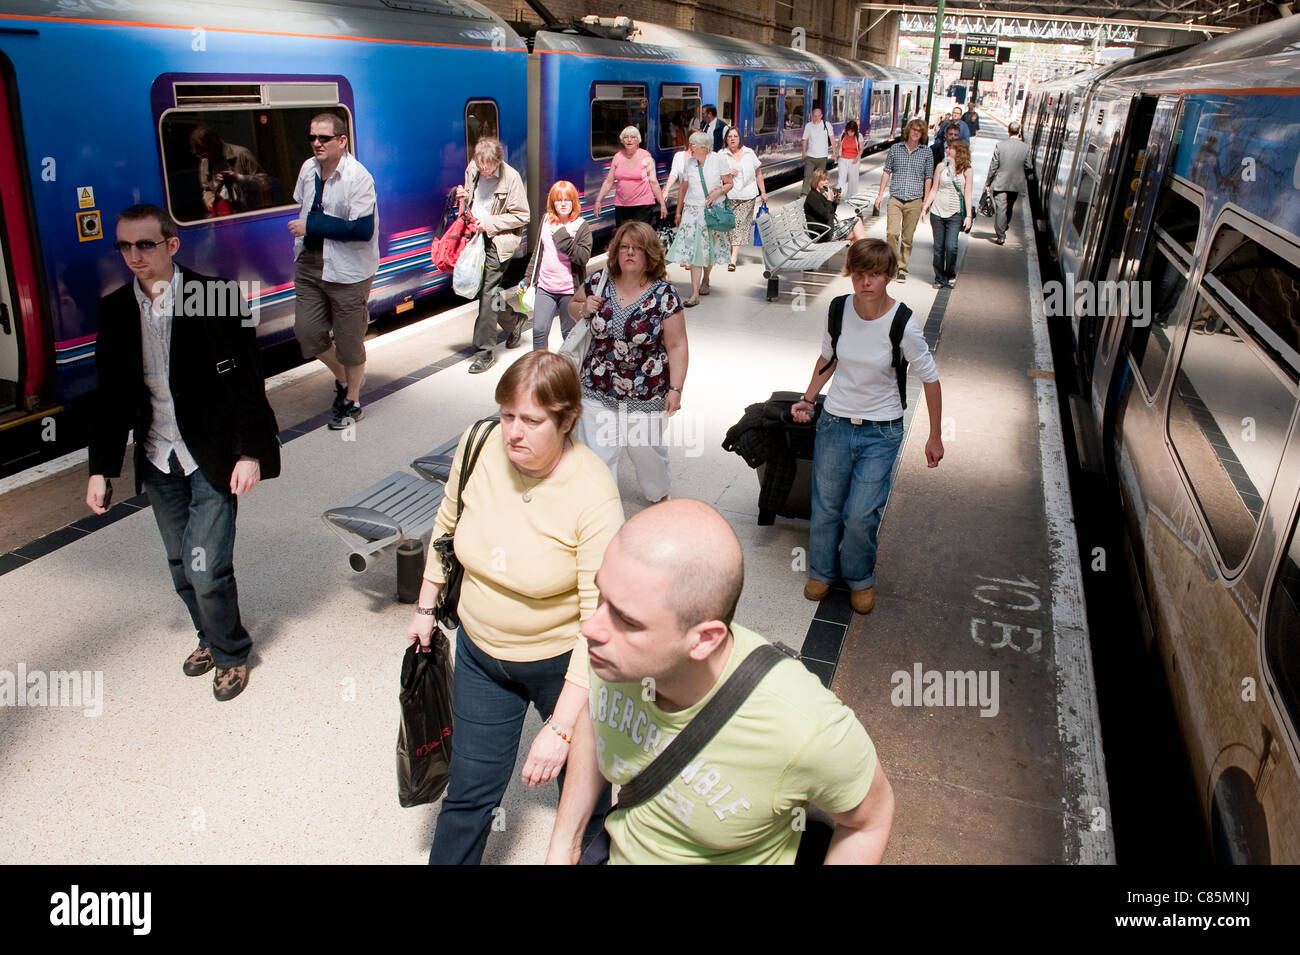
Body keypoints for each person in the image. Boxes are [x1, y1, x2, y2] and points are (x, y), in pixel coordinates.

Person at [544, 499, 896, 865]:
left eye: (627, 620)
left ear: (704, 639)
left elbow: (868, 821)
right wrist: (564, 846)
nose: (591, 628)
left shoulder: (804, 725)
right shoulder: (615, 655)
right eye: (602, 595)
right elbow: (594, 716)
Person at [408, 351, 623, 865]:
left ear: (567, 420)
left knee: (585, 800)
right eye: (507, 415)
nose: (513, 433)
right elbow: (447, 523)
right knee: (468, 796)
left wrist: (563, 728)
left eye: (532, 420)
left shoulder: (594, 494)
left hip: (561, 666)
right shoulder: (478, 444)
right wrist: (424, 606)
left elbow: (598, 623)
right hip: (482, 654)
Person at [86, 204, 281, 703]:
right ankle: (209, 638)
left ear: (171, 245)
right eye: (124, 246)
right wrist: (101, 469)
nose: (133, 255)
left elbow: (247, 383)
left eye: (145, 245)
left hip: (211, 453)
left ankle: (231, 652)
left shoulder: (214, 296)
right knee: (179, 562)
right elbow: (109, 399)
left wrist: (250, 453)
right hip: (157, 457)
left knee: (206, 566)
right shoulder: (114, 309)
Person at [791, 238, 943, 614]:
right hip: (836, 424)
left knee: (860, 513)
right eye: (859, 274)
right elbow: (828, 358)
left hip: (882, 430)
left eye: (875, 274)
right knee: (826, 505)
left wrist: (935, 435)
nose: (866, 282)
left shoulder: (904, 324)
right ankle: (823, 572)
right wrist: (808, 399)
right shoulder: (839, 310)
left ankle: (859, 577)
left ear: (888, 275)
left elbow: (931, 379)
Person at [568, 221, 687, 503]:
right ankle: (602, 508)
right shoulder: (599, 281)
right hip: (597, 385)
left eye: (637, 248)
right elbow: (573, 306)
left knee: (647, 454)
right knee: (597, 455)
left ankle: (659, 495)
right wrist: (584, 308)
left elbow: (677, 345)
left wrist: (676, 389)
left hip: (646, 391)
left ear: (650, 255)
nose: (630, 253)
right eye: (624, 247)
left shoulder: (664, 295)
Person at [288, 112, 378, 428]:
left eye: (324, 138)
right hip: (311, 263)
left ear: (342, 140)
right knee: (308, 333)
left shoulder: (358, 177)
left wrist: (311, 225)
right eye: (312, 137)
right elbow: (304, 202)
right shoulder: (307, 169)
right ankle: (343, 378)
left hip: (348, 270)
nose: (316, 143)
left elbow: (362, 229)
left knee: (349, 340)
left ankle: (351, 399)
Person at [459, 136, 530, 375]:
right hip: (476, 238)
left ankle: (484, 352)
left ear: (498, 161)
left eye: (488, 166)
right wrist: (462, 197)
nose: (483, 169)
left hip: (499, 241)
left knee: (488, 293)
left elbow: (523, 215)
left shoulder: (511, 178)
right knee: (486, 292)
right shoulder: (473, 168)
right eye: (480, 165)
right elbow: (472, 198)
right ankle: (514, 321)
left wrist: (488, 223)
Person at [522, 181, 592, 351]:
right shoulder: (546, 220)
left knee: (568, 333)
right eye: (558, 200)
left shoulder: (581, 226)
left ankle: (572, 371)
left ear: (574, 202)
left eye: (567, 200)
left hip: (569, 291)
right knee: (538, 331)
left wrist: (562, 235)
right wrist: (527, 279)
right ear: (552, 202)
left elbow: (582, 257)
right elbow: (538, 253)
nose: (562, 204)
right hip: (545, 288)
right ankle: (541, 371)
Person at [667, 132, 733, 305]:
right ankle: (695, 293)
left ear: (703, 148)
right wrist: (678, 212)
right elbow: (683, 188)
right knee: (695, 252)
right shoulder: (689, 163)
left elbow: (729, 183)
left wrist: (718, 192)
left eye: (692, 146)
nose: (690, 149)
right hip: (692, 212)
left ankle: (706, 279)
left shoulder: (718, 159)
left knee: (709, 250)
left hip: (711, 211)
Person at [872, 119, 933, 283]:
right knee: (892, 233)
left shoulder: (927, 152)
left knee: (907, 238)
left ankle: (902, 268)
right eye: (913, 130)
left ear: (922, 134)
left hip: (914, 200)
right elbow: (886, 172)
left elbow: (928, 177)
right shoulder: (895, 149)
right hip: (896, 198)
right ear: (908, 131)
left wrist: (926, 200)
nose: (915, 133)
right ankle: (891, 266)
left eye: (919, 131)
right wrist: (880, 195)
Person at [921, 139, 974, 289]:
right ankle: (939, 278)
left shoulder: (968, 171)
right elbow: (934, 189)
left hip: (955, 213)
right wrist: (925, 207)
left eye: (949, 148)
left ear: (958, 151)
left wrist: (968, 216)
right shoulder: (941, 167)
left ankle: (950, 273)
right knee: (938, 249)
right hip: (937, 211)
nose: (946, 151)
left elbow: (968, 193)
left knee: (951, 247)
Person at [593, 126, 668, 227]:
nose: (629, 140)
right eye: (626, 137)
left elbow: (653, 182)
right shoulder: (617, 157)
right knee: (623, 237)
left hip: (642, 205)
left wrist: (662, 204)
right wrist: (598, 200)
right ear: (622, 141)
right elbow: (608, 182)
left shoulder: (646, 156)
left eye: (633, 137)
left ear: (638, 140)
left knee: (639, 238)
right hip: (622, 206)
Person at [718, 127, 767, 272]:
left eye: (735, 136)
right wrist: (726, 175)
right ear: (726, 139)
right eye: (729, 136)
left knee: (738, 225)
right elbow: (714, 175)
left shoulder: (749, 153)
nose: (732, 139)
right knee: (729, 227)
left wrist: (763, 192)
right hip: (728, 196)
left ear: (739, 139)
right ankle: (730, 253)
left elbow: (758, 174)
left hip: (747, 196)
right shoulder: (721, 154)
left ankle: (733, 259)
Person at [189, 127, 267, 217]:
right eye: (200, 154)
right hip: (222, 215)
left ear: (214, 143)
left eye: (206, 152)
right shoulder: (205, 161)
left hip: (247, 213)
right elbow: (206, 189)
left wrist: (238, 177)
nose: (204, 157)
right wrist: (209, 199)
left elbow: (264, 180)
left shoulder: (241, 154)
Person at [985, 121, 1032, 245]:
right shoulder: (1026, 147)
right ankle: (1004, 225)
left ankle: (1001, 235)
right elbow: (1028, 166)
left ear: (1008, 131)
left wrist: (988, 182)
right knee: (1009, 207)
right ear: (1019, 132)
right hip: (1016, 184)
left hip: (1000, 182)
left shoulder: (1000, 146)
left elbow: (993, 166)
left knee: (1001, 208)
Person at [804, 169, 867, 244]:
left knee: (856, 232)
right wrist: (829, 199)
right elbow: (826, 215)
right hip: (822, 233)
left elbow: (831, 212)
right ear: (816, 181)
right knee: (857, 221)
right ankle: (866, 250)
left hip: (828, 228)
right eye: (823, 180)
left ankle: (861, 253)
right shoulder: (813, 197)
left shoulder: (819, 195)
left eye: (827, 179)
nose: (826, 182)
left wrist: (835, 199)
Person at [800, 106, 834, 195]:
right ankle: (804, 193)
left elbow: (832, 138)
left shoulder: (827, 125)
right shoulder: (809, 126)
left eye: (818, 116)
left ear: (821, 116)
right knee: (807, 175)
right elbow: (804, 139)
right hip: (810, 156)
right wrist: (803, 152)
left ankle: (820, 193)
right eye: (814, 116)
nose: (816, 118)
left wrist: (835, 152)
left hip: (822, 157)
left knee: (821, 177)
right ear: (812, 115)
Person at [835, 119, 862, 203]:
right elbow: (838, 147)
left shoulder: (859, 136)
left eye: (852, 131)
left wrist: (857, 158)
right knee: (841, 178)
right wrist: (836, 155)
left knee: (853, 179)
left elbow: (861, 149)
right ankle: (837, 197)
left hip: (854, 160)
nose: (850, 133)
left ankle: (852, 197)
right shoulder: (842, 135)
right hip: (843, 159)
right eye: (849, 131)